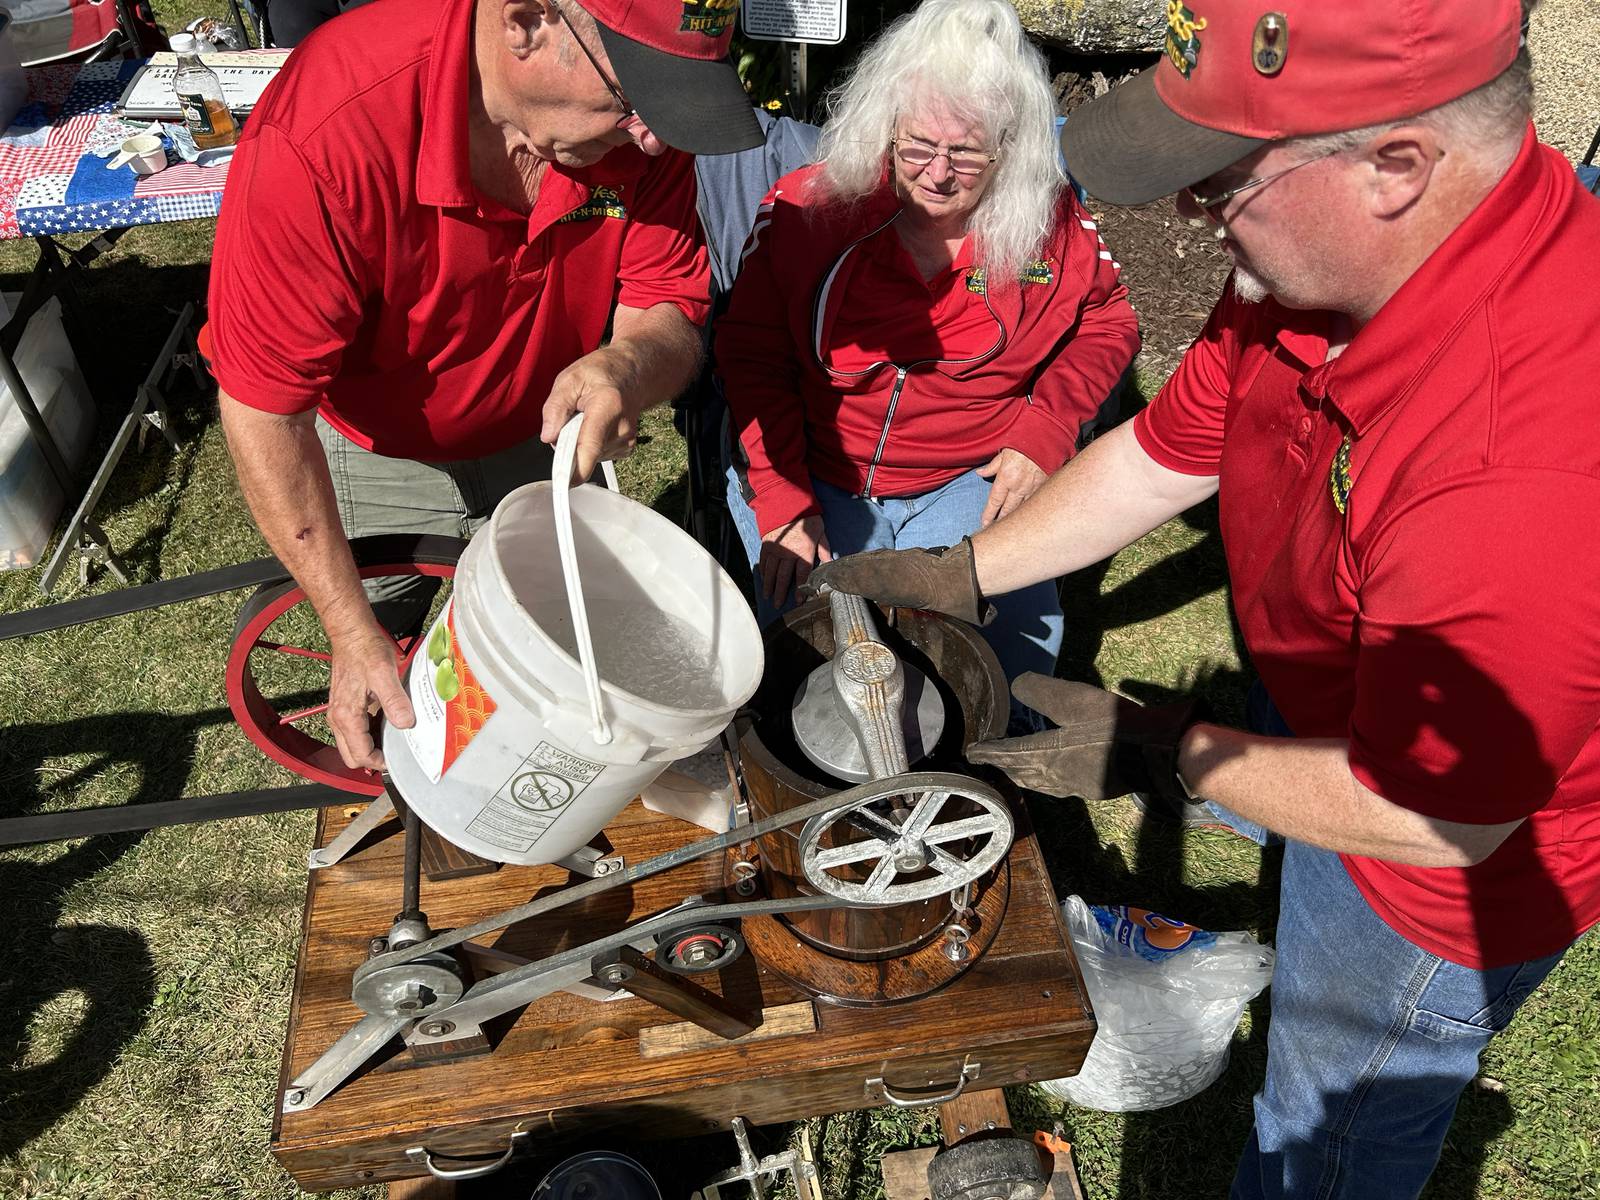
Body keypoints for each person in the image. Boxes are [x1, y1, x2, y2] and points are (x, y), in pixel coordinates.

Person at [811, 2, 1600, 1197]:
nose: (1189, 209)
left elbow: (1439, 815)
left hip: (1436, 872)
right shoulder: (1329, 266)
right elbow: (1165, 453)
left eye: (1222, 179)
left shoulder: (1519, 473)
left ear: (1395, 167)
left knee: (1328, 1125)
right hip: (1343, 710)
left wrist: (1180, 756)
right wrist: (961, 571)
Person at [208, 0, 761, 773]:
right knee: (384, 653)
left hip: (543, 438)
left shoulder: (630, 127)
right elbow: (266, 411)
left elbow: (668, 300)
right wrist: (348, 626)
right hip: (380, 448)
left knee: (561, 664)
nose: (654, 138)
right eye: (633, 98)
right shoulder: (328, 131)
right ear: (527, 22)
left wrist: (628, 366)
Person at [713, 0, 1139, 703]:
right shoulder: (810, 212)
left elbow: (1109, 320)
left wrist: (1048, 429)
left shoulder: (1051, 224)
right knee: (811, 654)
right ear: (885, 127)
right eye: (916, 145)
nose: (938, 173)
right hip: (816, 467)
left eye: (966, 153)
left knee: (994, 664)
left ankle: (1006, 753)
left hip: (967, 477)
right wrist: (784, 497)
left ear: (1009, 149)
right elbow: (752, 350)